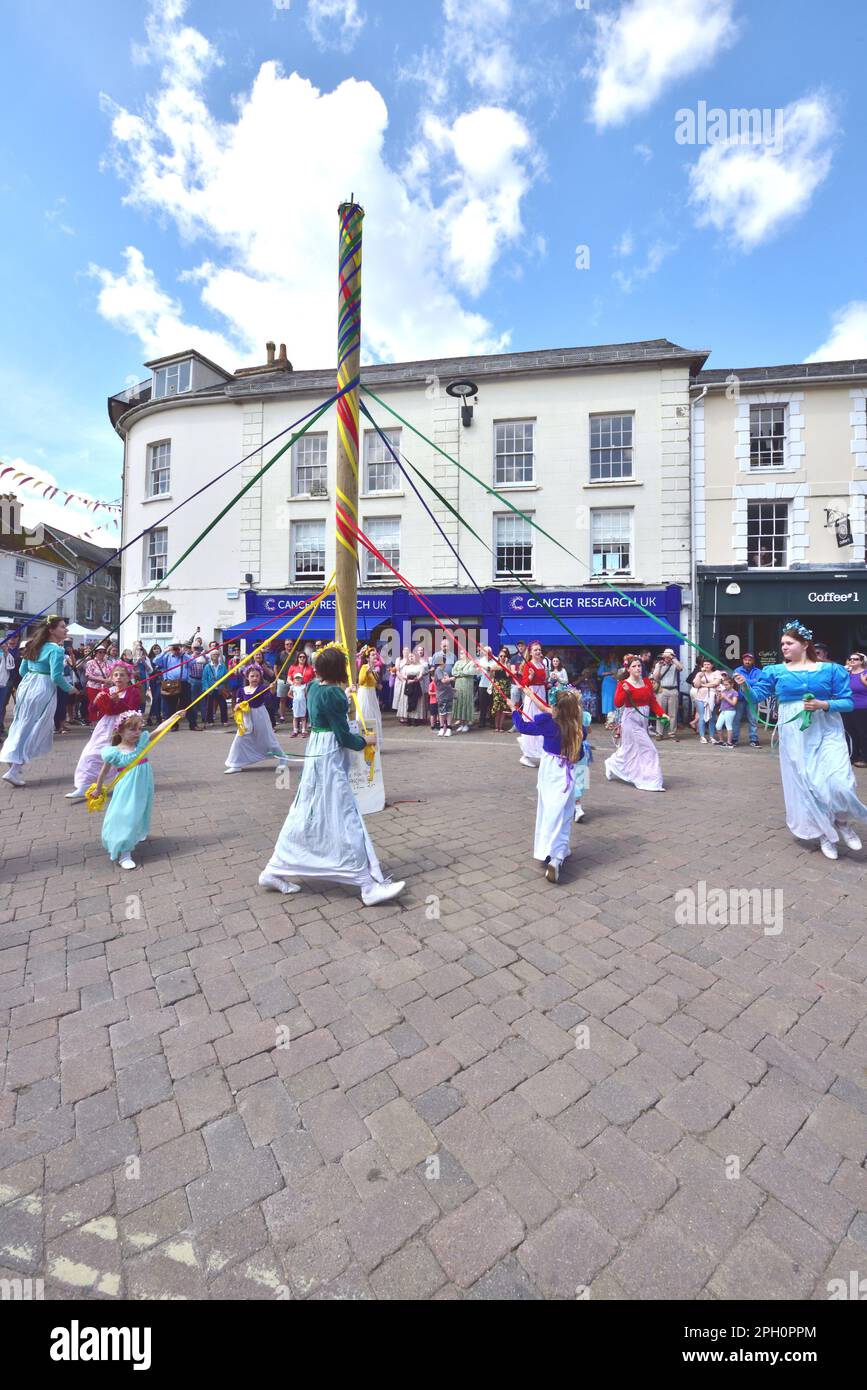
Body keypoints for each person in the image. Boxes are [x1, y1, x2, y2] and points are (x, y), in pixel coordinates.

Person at [258, 645, 405, 906]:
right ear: (340, 670)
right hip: (330, 756)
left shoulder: (315, 687)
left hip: (317, 747)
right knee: (344, 811)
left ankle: (274, 868)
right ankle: (365, 884)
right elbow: (343, 736)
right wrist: (366, 740)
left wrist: (346, 695)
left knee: (308, 807)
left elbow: (327, 707)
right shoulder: (333, 695)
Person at [735, 621, 867, 860]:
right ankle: (825, 833)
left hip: (827, 728)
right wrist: (744, 687)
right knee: (811, 785)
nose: (783, 647)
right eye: (782, 643)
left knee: (841, 782)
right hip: (795, 732)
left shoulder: (832, 670)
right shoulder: (775, 671)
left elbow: (847, 702)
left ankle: (842, 821)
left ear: (804, 644)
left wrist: (823, 704)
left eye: (789, 643)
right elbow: (756, 697)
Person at [510, 688, 586, 883]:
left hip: (549, 772)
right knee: (564, 812)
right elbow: (581, 756)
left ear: (556, 708)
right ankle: (558, 853)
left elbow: (524, 728)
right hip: (567, 773)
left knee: (549, 810)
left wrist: (514, 710)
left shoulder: (547, 723)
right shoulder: (579, 729)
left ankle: (552, 853)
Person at [94, 711, 177, 870]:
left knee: (141, 810)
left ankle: (136, 833)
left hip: (143, 784)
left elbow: (159, 730)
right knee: (126, 815)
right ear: (120, 731)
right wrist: (98, 788)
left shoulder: (141, 744)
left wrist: (174, 717)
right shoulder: (114, 752)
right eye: (132, 729)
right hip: (127, 789)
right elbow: (103, 772)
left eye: (139, 728)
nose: (137, 733)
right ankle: (125, 852)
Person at [1, 616, 73, 786]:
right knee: (36, 727)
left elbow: (22, 670)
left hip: (27, 686)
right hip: (43, 688)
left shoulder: (32, 645)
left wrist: (32, 682)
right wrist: (70, 688)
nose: (66, 630)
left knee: (21, 723)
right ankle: (15, 768)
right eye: (63, 627)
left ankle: (12, 757)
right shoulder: (56, 650)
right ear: (51, 630)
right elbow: (56, 676)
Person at [66, 662, 141, 803]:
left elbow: (132, 709)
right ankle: (83, 785)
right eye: (116, 675)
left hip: (123, 727)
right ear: (111, 677)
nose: (119, 678)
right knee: (91, 753)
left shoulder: (133, 691)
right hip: (105, 726)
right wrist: (95, 701)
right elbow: (92, 710)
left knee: (121, 756)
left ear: (128, 677)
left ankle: (123, 782)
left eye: (122, 675)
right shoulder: (107, 691)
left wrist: (119, 702)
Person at [604, 656, 666, 792]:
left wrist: (662, 714)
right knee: (650, 749)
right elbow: (618, 703)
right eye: (634, 666)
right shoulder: (623, 683)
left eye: (639, 666)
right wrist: (625, 691)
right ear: (628, 669)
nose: (638, 668)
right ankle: (652, 781)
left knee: (629, 750)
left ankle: (611, 763)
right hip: (630, 719)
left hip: (643, 719)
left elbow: (652, 701)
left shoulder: (646, 682)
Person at [225, 665, 289, 774]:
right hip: (246, 717)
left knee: (267, 738)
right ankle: (236, 764)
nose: (255, 678)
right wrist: (237, 706)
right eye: (252, 676)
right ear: (247, 677)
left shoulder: (262, 688)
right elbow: (239, 701)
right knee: (240, 739)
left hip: (259, 715)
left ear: (260, 677)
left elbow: (269, 699)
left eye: (257, 676)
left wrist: (272, 691)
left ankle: (283, 758)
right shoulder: (241, 690)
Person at [518, 641, 548, 767]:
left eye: (539, 650)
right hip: (532, 694)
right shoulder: (528, 665)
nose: (538, 652)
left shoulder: (542, 664)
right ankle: (526, 755)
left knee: (543, 722)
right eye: (535, 650)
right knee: (532, 721)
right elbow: (524, 683)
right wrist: (530, 676)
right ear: (530, 652)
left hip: (541, 693)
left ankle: (542, 751)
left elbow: (543, 680)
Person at [354, 647, 383, 749]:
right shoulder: (364, 667)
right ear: (367, 658)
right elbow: (361, 681)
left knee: (374, 716)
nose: (375, 656)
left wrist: (377, 686)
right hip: (365, 693)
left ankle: (374, 741)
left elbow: (374, 683)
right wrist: (366, 673)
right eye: (372, 655)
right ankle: (362, 740)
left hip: (372, 694)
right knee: (364, 715)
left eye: (376, 655)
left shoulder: (374, 670)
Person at [650, 649, 682, 740]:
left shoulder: (675, 664)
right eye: (666, 656)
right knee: (660, 712)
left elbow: (681, 668)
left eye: (669, 656)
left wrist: (673, 658)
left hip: (673, 689)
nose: (667, 658)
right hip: (662, 690)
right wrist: (659, 666)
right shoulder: (659, 664)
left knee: (673, 713)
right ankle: (659, 733)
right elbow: (655, 678)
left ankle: (671, 733)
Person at [842, 652, 867, 767]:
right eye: (850, 659)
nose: (852, 661)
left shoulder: (865, 673)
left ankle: (864, 758)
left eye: (856, 659)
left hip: (862, 708)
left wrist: (864, 682)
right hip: (848, 707)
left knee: (862, 733)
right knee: (850, 732)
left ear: (861, 661)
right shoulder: (847, 673)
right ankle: (853, 755)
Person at [731, 652, 761, 747]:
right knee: (736, 720)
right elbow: (736, 681)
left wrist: (744, 680)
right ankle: (734, 739)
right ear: (743, 660)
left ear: (753, 661)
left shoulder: (758, 671)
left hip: (752, 699)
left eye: (749, 660)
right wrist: (749, 681)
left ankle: (754, 739)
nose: (747, 661)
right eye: (745, 660)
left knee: (753, 720)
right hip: (740, 698)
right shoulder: (737, 670)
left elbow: (758, 682)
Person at [692, 660, 722, 744]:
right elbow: (696, 685)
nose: (706, 666)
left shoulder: (716, 673)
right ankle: (702, 736)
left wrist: (703, 685)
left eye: (708, 664)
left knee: (712, 717)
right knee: (702, 717)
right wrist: (699, 676)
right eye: (704, 664)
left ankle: (711, 736)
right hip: (701, 697)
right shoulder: (699, 673)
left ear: (712, 665)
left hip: (713, 697)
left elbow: (716, 683)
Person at [85, 644, 113, 722]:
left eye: (103, 652)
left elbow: (112, 673)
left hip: (105, 687)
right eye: (100, 652)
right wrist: (103, 680)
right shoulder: (90, 662)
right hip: (93, 687)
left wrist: (109, 680)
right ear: (96, 653)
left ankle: (102, 722)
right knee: (94, 704)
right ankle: (93, 722)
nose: (102, 654)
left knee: (104, 704)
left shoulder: (108, 663)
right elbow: (88, 675)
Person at [0, 633, 21, 736]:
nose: (12, 640)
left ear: (18, 638)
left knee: (20, 705)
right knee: (2, 704)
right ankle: (1, 727)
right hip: (6, 681)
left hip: (19, 681)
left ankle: (18, 727)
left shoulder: (22, 650)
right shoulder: (2, 649)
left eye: (15, 637)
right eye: (10, 637)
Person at [202, 648, 229, 727]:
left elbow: (226, 676)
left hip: (220, 689)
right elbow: (204, 678)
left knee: (223, 705)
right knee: (209, 705)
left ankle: (224, 720)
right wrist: (206, 688)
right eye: (214, 654)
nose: (215, 656)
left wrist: (222, 682)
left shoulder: (222, 666)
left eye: (217, 654)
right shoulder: (207, 666)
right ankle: (210, 720)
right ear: (211, 656)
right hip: (210, 689)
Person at [451, 652, 477, 733]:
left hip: (467, 685)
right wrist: (462, 673)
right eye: (461, 653)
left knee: (466, 702)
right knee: (459, 703)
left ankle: (466, 724)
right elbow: (453, 672)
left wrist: (460, 673)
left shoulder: (472, 662)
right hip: (458, 685)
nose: (461, 655)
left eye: (463, 653)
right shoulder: (457, 662)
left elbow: (470, 672)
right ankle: (461, 724)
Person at [490, 647, 513, 732]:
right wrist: (491, 671)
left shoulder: (507, 664)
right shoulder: (495, 665)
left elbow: (508, 675)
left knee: (503, 707)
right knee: (497, 706)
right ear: (498, 656)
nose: (502, 657)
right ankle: (496, 726)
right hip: (497, 686)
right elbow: (491, 676)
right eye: (501, 656)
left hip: (505, 686)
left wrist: (506, 664)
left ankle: (501, 726)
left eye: (504, 656)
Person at [715, 676, 738, 749]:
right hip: (723, 710)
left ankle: (729, 742)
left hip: (730, 711)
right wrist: (718, 695)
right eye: (724, 684)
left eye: (726, 684)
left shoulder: (734, 692)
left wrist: (725, 697)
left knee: (728, 726)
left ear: (732, 684)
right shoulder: (724, 691)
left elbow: (734, 703)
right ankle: (721, 740)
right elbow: (718, 702)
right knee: (718, 725)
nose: (725, 686)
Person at [598, 651, 619, 726]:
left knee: (614, 699)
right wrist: (610, 672)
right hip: (607, 683)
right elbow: (600, 673)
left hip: (615, 682)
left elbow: (619, 671)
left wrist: (616, 674)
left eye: (613, 654)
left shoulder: (617, 662)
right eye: (611, 653)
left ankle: (614, 719)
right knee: (607, 700)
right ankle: (607, 719)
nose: (612, 655)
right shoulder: (604, 662)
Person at [146, 644, 163, 724]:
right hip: (153, 681)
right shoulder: (150, 659)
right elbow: (150, 671)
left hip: (160, 681)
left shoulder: (162, 658)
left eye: (158, 648)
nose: (156, 650)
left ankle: (158, 717)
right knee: (154, 699)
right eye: (155, 649)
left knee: (158, 699)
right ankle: (150, 717)